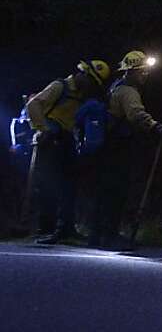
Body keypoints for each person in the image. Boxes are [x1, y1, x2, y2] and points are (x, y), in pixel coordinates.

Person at [89, 50, 162, 249]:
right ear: (132, 71)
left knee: (105, 190)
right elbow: (136, 114)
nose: (145, 75)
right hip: (118, 145)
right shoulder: (128, 91)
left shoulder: (115, 86)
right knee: (116, 190)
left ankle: (97, 235)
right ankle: (110, 236)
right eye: (142, 71)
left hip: (109, 145)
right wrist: (157, 127)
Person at [24, 59, 109, 243]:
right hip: (49, 139)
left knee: (69, 186)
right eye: (91, 81)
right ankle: (45, 229)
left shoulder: (84, 95)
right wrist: (43, 128)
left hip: (67, 140)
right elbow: (33, 104)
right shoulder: (59, 86)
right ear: (84, 74)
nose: (91, 86)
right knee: (47, 186)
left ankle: (66, 228)